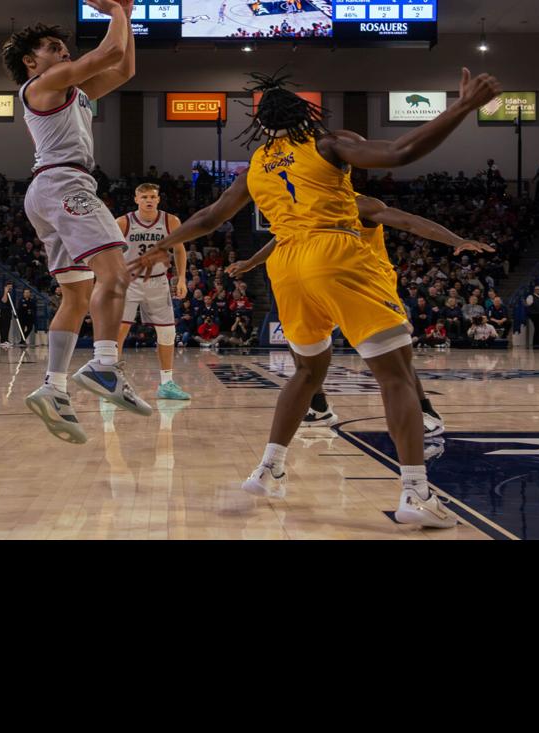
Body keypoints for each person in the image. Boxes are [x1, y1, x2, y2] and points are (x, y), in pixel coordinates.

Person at [132, 65, 503, 528]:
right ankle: (416, 493)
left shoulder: (257, 167)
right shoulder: (328, 143)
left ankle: (268, 467)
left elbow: (208, 218)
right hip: (336, 253)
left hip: (286, 265)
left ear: (263, 125)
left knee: (307, 372)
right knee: (397, 376)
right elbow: (400, 151)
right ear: (307, 114)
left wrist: (162, 247)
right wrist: (464, 106)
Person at [232, 192, 491, 434]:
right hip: (323, 280)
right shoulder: (308, 205)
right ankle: (319, 406)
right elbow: (283, 237)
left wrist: (456, 240)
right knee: (300, 341)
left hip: (365, 282)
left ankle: (425, 412)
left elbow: (408, 222)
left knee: (393, 354)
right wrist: (252, 262)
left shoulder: (358, 203)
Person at [6, 2, 147, 445]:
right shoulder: (42, 83)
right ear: (32, 61)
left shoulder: (73, 90)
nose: (64, 52)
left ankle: (54, 387)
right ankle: (105, 366)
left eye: (65, 47)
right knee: (116, 276)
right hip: (66, 184)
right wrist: (115, 11)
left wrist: (123, 15)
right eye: (53, 47)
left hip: (49, 190)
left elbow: (122, 70)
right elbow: (105, 54)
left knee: (77, 297)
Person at [113, 183, 191, 400]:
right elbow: (110, 252)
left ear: (158, 199)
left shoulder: (170, 221)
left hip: (158, 282)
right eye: (144, 196)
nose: (149, 200)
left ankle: (166, 383)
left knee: (167, 332)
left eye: (152, 197)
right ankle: (113, 383)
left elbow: (179, 249)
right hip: (130, 281)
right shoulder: (122, 222)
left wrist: (182, 277)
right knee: (119, 332)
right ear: (136, 199)